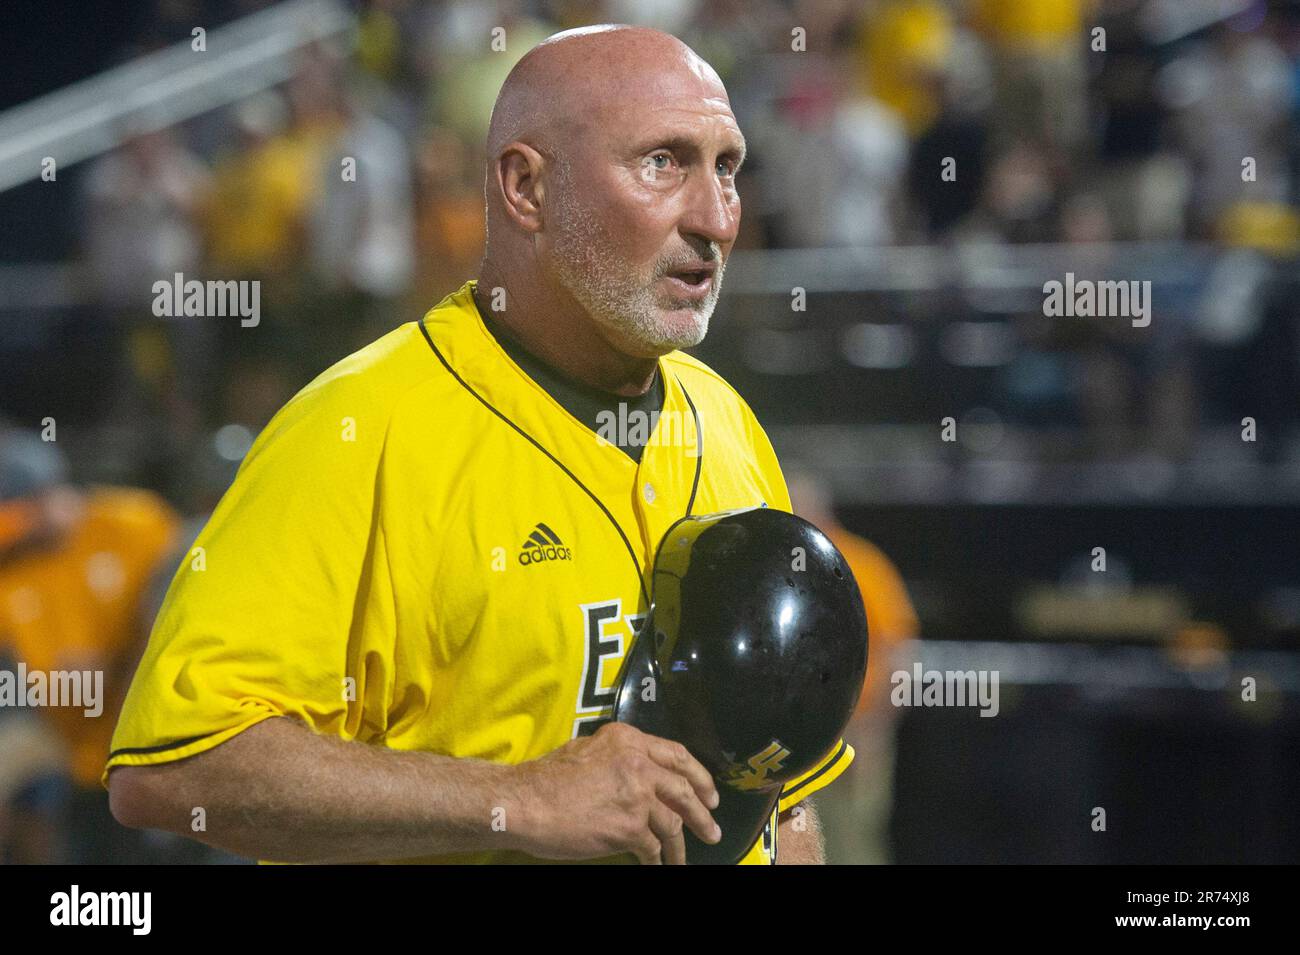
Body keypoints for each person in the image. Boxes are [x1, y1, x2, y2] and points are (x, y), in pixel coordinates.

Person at [106, 25, 853, 865]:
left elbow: (784, 789)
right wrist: (517, 798)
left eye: (726, 167)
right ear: (527, 187)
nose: (716, 218)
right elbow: (177, 764)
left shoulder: (729, 424)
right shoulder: (359, 428)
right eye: (663, 162)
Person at [0, 428, 180, 862]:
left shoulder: (134, 523)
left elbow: (184, 619)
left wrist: (116, 662)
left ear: (52, 496)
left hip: (161, 733)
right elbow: (49, 686)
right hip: (77, 755)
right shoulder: (12, 573)